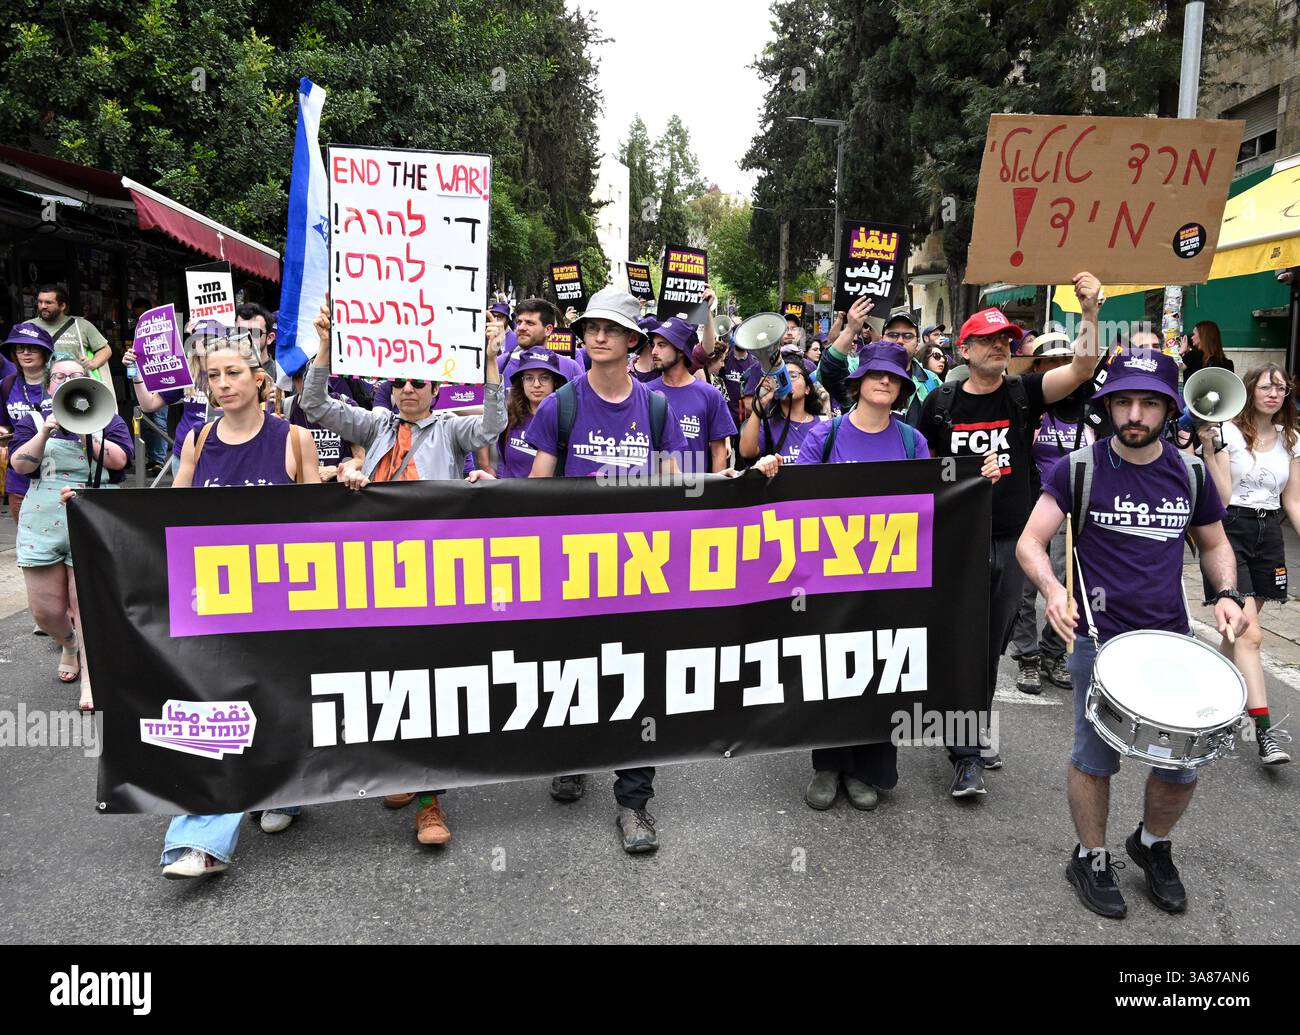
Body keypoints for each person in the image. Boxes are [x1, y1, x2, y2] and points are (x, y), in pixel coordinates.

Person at [1017, 348, 1246, 919]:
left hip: (1171, 644)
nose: (1135, 414)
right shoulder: (1079, 467)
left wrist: (1224, 595)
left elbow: (1215, 544)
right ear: (1108, 407)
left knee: (1181, 765)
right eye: (1124, 402)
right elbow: (1030, 542)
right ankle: (1089, 855)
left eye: (1148, 403)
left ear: (1169, 409)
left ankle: (1150, 844)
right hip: (1100, 641)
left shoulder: (1189, 472)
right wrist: (1053, 590)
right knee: (1094, 759)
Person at [307, 303, 505, 845]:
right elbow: (314, 403)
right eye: (400, 383)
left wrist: (490, 360)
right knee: (380, 680)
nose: (409, 390)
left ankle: (429, 802)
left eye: (418, 382)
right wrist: (326, 343)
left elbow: (494, 424)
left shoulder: (451, 431)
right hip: (371, 576)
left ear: (436, 389)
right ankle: (400, 770)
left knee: (426, 685)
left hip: (435, 576)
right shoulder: (373, 426)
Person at [914, 272, 1102, 798]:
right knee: (961, 641)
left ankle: (967, 728)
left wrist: (1088, 313)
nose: (1001, 347)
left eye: (1007, 342)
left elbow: (1083, 367)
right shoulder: (940, 406)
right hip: (954, 544)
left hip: (1010, 543)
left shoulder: (1024, 393)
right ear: (965, 347)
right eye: (990, 340)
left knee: (989, 645)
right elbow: (915, 468)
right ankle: (967, 749)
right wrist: (964, 474)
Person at [523, 286, 688, 855]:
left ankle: (634, 804)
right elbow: (537, 491)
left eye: (611, 329)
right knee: (571, 671)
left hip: (638, 570)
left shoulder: (659, 407)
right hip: (571, 568)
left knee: (638, 685)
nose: (598, 336)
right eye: (592, 327)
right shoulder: (559, 405)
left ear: (632, 342)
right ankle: (571, 757)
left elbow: (676, 490)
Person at [157, 330, 320, 878]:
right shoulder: (197, 443)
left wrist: (346, 483)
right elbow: (168, 520)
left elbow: (319, 528)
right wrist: (92, 508)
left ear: (258, 378)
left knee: (278, 701)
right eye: (213, 375)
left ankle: (282, 791)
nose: (223, 384)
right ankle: (200, 837)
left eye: (233, 373)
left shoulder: (296, 441)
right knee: (214, 708)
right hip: (214, 600)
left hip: (280, 600)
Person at [763, 342, 936, 810]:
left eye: (894, 377)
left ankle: (867, 769)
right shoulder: (828, 432)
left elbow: (937, 498)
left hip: (890, 581)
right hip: (831, 580)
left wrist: (978, 478)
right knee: (833, 671)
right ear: (858, 382)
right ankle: (829, 764)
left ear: (901, 388)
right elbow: (795, 491)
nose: (885, 382)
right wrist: (771, 468)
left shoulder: (911, 442)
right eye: (876, 374)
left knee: (883, 674)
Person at [10, 353, 133, 710]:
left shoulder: (107, 418)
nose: (66, 381)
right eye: (59, 376)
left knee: (87, 607)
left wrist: (87, 433)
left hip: (92, 517)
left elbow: (120, 461)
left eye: (75, 375)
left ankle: (92, 681)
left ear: (88, 381)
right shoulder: (34, 419)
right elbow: (20, 464)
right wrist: (47, 429)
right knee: (45, 612)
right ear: (49, 385)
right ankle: (68, 643)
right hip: (42, 521)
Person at [1196, 363, 1296, 765]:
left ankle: (1207, 700)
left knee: (1235, 634)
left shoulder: (1293, 439)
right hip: (1229, 531)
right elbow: (1220, 497)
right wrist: (1208, 449)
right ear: (1250, 390)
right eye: (1267, 387)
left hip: (1269, 534)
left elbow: (1293, 500)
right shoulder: (1227, 433)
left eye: (1282, 388)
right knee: (1250, 636)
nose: (1274, 394)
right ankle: (1265, 733)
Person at [1006, 335, 1097, 694]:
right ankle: (1027, 657)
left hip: (1075, 514)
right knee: (1026, 589)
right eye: (1052, 362)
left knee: (1068, 585)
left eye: (1067, 361)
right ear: (1038, 368)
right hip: (1031, 508)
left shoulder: (1092, 411)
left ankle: (1053, 651)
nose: (1061, 369)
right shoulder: (1026, 409)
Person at [645, 317, 736, 474]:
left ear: (681, 351)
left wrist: (716, 494)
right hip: (655, 494)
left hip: (697, 493)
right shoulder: (645, 392)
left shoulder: (710, 395)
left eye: (662, 345)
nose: (654, 351)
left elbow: (718, 452)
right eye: (654, 345)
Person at [467, 347, 566, 480]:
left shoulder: (565, 421)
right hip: (509, 498)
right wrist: (491, 482)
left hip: (546, 499)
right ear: (522, 382)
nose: (536, 384)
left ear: (554, 381)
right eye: (529, 378)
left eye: (544, 378)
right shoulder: (510, 416)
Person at [0, 322, 56, 521]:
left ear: (45, 353)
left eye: (33, 348)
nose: (26, 352)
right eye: (20, 348)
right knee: (25, 534)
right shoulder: (6, 385)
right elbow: (4, 423)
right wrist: (2, 430)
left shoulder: (60, 383)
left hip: (58, 467)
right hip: (20, 470)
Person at [737, 359, 824, 465]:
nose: (787, 381)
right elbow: (747, 452)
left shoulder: (823, 424)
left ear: (807, 389)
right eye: (781, 378)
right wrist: (760, 404)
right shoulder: (767, 425)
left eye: (793, 376)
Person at [32, 285, 112, 384]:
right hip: (38, 385)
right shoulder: (28, 326)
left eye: (48, 302)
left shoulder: (81, 325)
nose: (43, 306)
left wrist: (92, 363)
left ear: (62, 306)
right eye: (40, 302)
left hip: (72, 384)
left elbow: (105, 349)